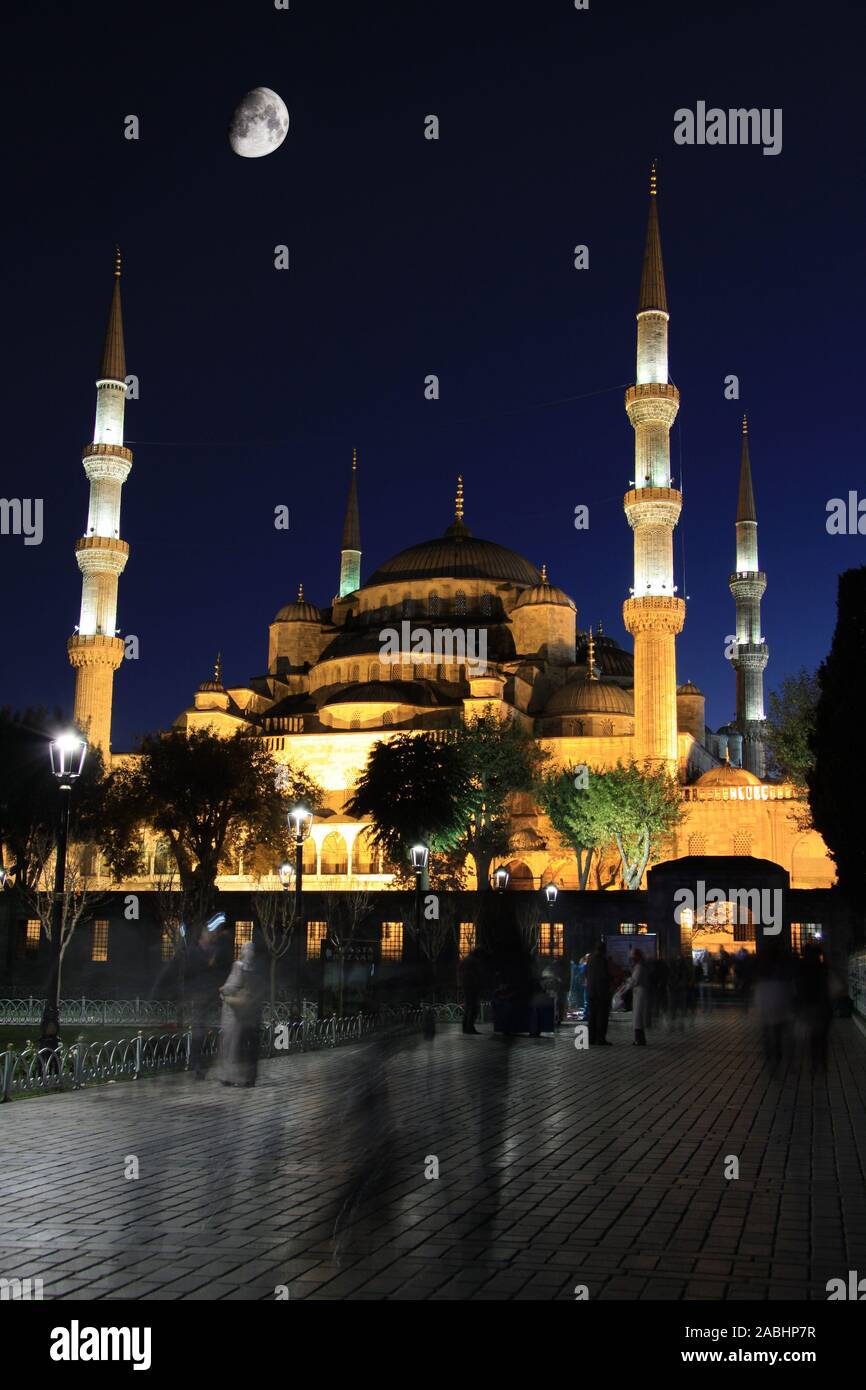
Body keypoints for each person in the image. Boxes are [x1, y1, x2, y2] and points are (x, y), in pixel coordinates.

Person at [217, 942, 266, 1087]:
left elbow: (232, 986)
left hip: (240, 1012)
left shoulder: (242, 967)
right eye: (246, 950)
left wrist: (225, 991)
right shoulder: (245, 967)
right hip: (241, 1012)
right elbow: (234, 986)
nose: (247, 953)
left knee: (233, 1045)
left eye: (249, 950)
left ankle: (236, 1077)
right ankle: (238, 1077)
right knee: (233, 1045)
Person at [795, 943, 832, 1069]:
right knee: (822, 1036)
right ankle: (822, 1060)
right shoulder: (823, 967)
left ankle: (815, 1061)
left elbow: (799, 986)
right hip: (823, 1004)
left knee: (813, 1035)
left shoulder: (802, 967)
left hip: (811, 1004)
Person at [586, 941, 613, 1045]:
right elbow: (604, 976)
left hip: (591, 992)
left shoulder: (590, 959)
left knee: (592, 1016)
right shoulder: (602, 960)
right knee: (601, 1016)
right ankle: (600, 1038)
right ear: (603, 950)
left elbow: (587, 974)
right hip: (601, 993)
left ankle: (591, 1038)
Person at [629, 947, 649, 1046]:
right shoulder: (641, 966)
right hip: (640, 992)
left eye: (633, 956)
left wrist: (627, 982)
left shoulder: (639, 967)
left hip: (639, 993)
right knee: (638, 1017)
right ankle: (640, 1038)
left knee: (638, 1017)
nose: (632, 958)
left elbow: (634, 981)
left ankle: (639, 1039)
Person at [460, 947, 482, 1034]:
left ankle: (465, 1027)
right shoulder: (473, 961)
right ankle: (470, 1027)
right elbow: (476, 975)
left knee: (468, 1007)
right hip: (472, 987)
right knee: (473, 1007)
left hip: (466, 986)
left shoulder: (466, 960)